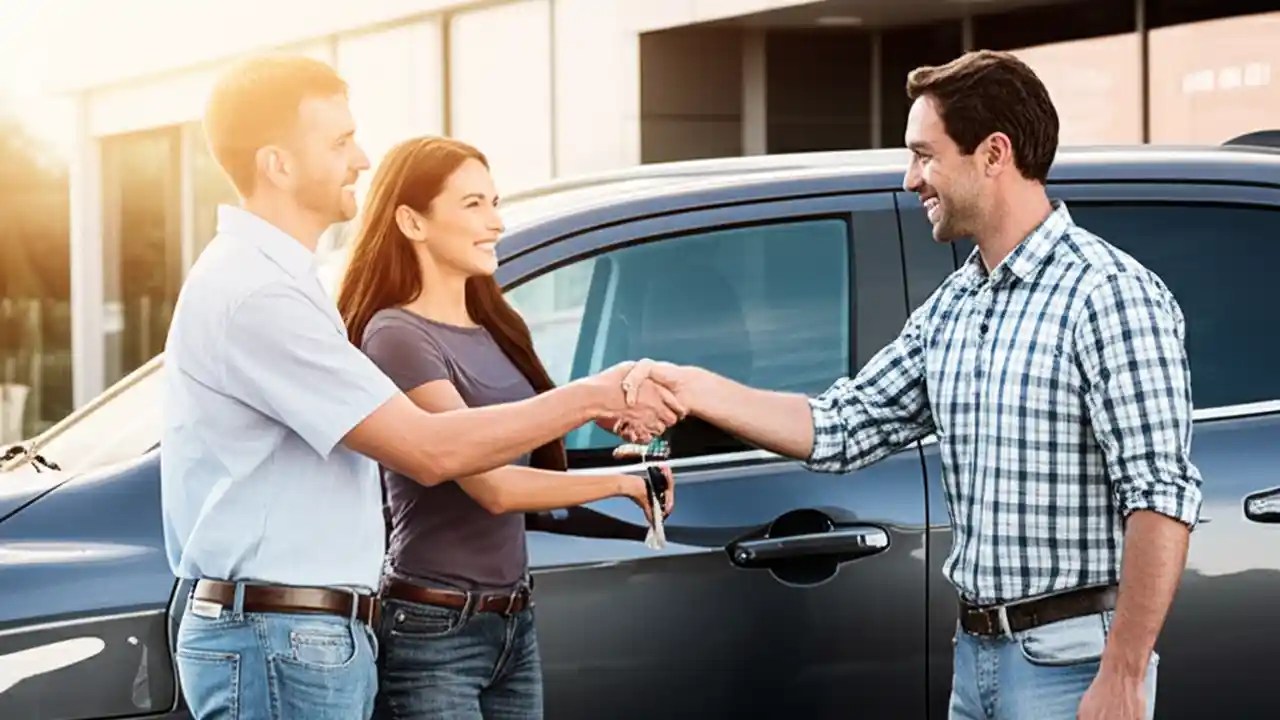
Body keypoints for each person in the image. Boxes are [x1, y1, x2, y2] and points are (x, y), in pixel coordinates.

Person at [623, 50, 1201, 720]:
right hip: (976, 657)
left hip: (1072, 666)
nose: (909, 180)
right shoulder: (956, 305)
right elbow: (846, 425)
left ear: (993, 153)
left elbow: (1159, 493)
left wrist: (1124, 674)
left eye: (924, 155)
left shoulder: (1108, 294)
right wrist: (690, 386)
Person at [161, 55, 681, 720]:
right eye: (340, 142)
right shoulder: (260, 295)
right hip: (282, 636)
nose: (362, 159)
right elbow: (431, 451)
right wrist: (592, 396)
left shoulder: (281, 282)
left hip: (299, 634)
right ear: (278, 165)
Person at [334, 136, 677, 719]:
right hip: (433, 628)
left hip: (513, 620)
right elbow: (491, 486)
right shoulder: (397, 336)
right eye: (473, 205)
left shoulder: (496, 325)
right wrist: (623, 485)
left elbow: (522, 442)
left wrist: (616, 440)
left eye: (495, 202)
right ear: (412, 222)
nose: (495, 222)